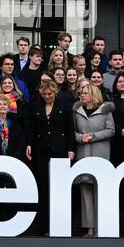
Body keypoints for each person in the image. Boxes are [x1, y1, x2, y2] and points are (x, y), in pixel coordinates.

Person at [73, 81, 116, 237]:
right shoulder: (76, 111)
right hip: (83, 154)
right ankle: (90, 228)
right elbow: (71, 132)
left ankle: (102, 226)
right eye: (81, 93)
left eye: (84, 93)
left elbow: (111, 131)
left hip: (101, 154)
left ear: (93, 95)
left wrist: (93, 136)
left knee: (101, 191)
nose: (81, 95)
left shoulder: (105, 111)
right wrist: (79, 137)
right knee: (85, 193)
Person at [29, 78, 74, 226]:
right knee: (42, 185)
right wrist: (29, 144)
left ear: (55, 92)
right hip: (41, 149)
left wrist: (71, 148)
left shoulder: (64, 105)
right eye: (44, 94)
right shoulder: (36, 105)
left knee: (58, 186)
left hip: (59, 149)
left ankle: (59, 222)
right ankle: (43, 223)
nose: (47, 96)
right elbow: (32, 128)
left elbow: (69, 128)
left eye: (49, 94)